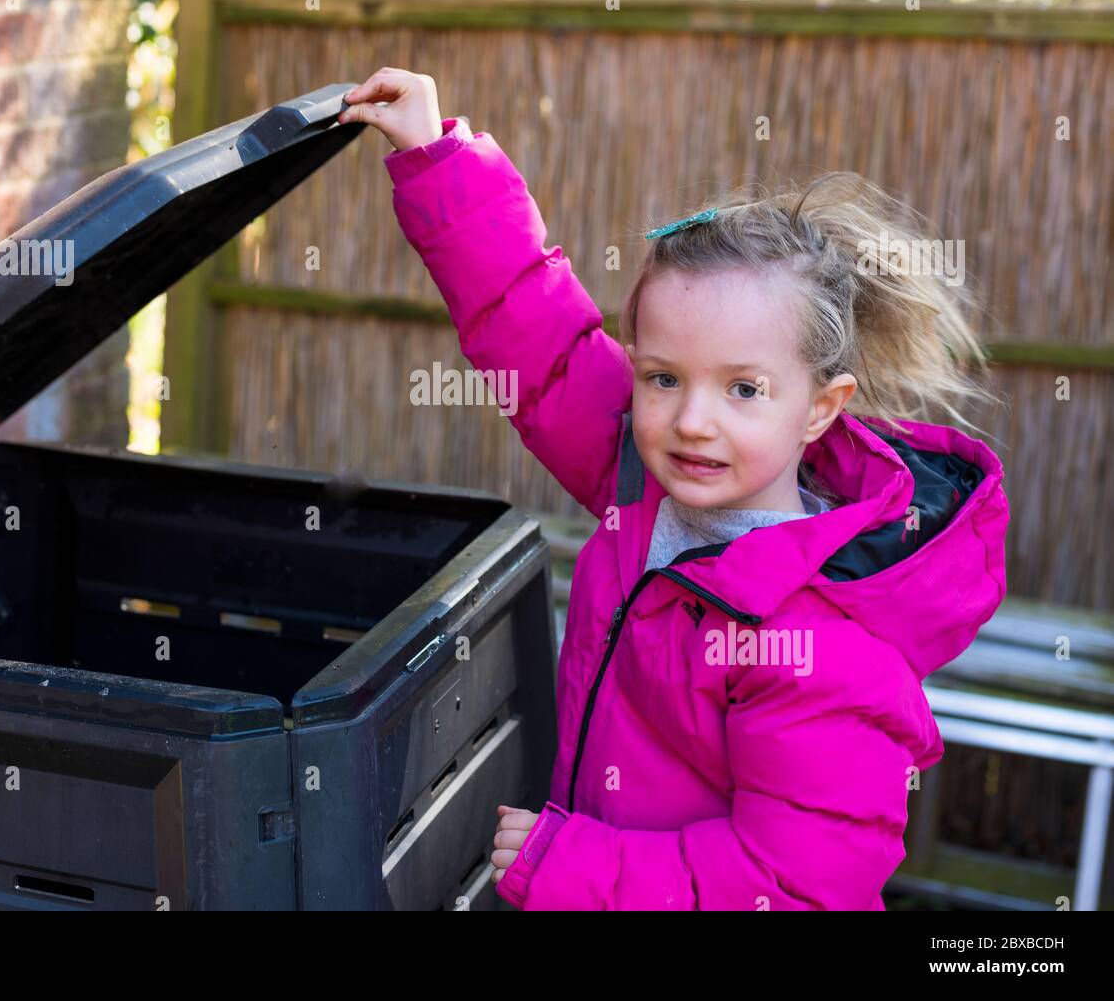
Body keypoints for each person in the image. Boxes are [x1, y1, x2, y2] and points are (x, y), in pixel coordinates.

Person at [339, 68, 1010, 910]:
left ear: (820, 409)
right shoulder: (644, 484)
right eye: (662, 377)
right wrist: (440, 157)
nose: (692, 421)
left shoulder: (822, 649)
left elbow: (793, 890)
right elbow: (536, 333)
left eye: (743, 390)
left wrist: (572, 867)